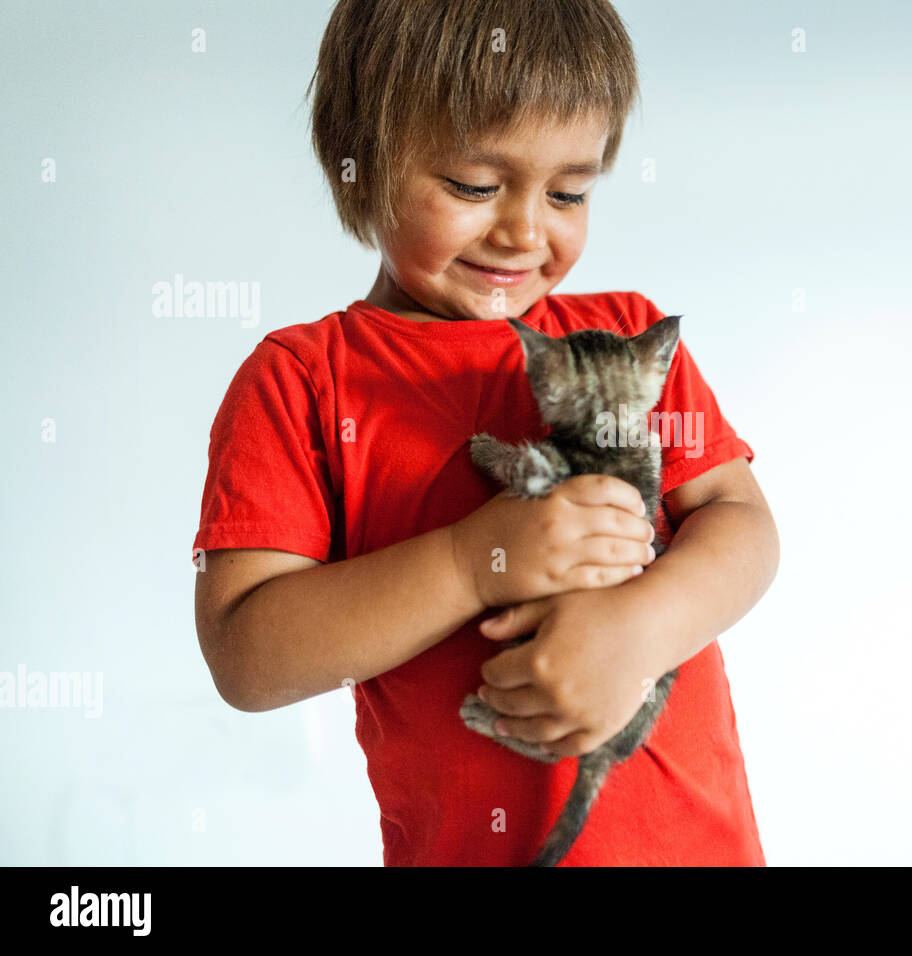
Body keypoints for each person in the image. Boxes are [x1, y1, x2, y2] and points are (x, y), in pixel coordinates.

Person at [192, 0, 779, 865]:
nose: (524, 231)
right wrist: (476, 560)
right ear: (361, 166)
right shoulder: (303, 381)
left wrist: (642, 628)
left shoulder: (626, 340)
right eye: (474, 186)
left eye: (570, 192)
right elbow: (247, 654)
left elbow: (743, 523)